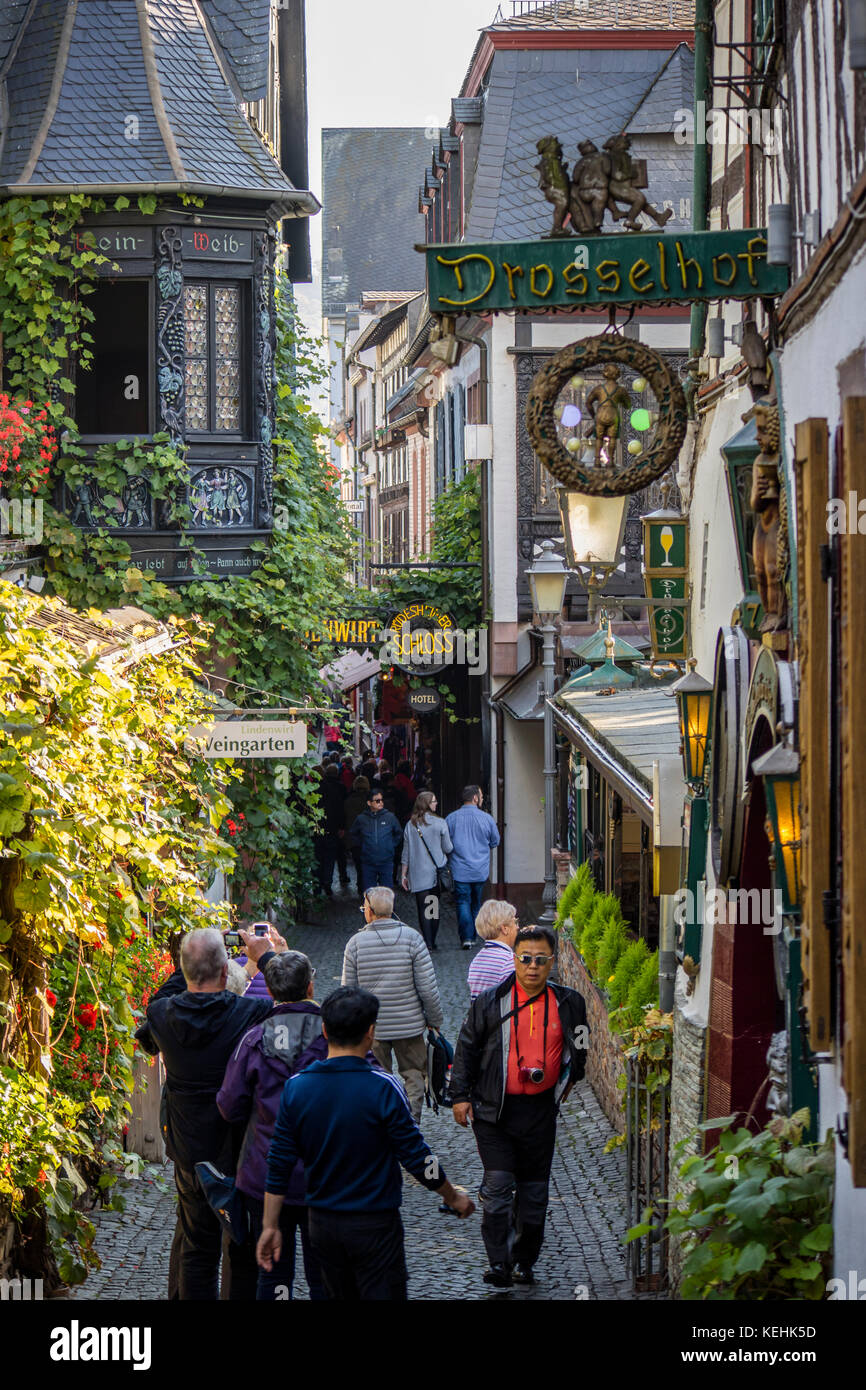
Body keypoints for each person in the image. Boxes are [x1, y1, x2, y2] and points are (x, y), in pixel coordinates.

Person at [257, 987, 475, 1300]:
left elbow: (278, 1162)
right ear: (370, 1033)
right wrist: (452, 1196)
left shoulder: (296, 1088)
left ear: (324, 1030)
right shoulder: (384, 1087)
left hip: (322, 1223)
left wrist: (269, 1225)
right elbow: (417, 1156)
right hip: (375, 1224)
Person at [137, 925, 287, 1300]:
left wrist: (190, 960)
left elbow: (163, 998)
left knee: (197, 1244)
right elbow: (292, 1001)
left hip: (188, 1144)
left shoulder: (163, 1015)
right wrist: (264, 955)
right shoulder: (249, 1012)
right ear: (226, 972)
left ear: (186, 974)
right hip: (238, 1143)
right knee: (240, 1243)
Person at [450, 925, 588, 1289]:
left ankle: (524, 1261)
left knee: (533, 1193)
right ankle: (498, 1263)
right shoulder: (490, 1002)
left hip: (540, 1112)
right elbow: (466, 1047)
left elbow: (582, 1044)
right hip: (494, 1111)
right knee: (497, 1186)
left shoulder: (569, 1003)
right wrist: (460, 1096)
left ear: (551, 962)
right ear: (514, 958)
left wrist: (571, 1078)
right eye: (525, 958)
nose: (532, 967)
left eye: (540, 960)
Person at [217, 952, 327, 1301]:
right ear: (310, 985)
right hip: (322, 1173)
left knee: (274, 1275)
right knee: (325, 1277)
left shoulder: (253, 1039)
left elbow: (229, 1105)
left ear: (273, 993)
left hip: (265, 1172)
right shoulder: (334, 1034)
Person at [341, 885, 443, 1122]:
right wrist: (435, 1020)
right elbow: (428, 987)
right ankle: (410, 1123)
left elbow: (348, 992)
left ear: (369, 911)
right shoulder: (413, 939)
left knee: (377, 1076)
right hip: (410, 1025)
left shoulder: (355, 943)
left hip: (371, 1028)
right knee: (414, 1075)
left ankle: (382, 1124)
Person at [446, 785, 501, 950]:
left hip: (459, 869)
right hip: (479, 869)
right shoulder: (487, 819)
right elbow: (495, 841)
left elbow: (446, 844)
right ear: (475, 798)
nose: (482, 799)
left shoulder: (451, 818)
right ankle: (476, 934)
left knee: (462, 903)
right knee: (476, 903)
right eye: (481, 796)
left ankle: (466, 938)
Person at [401, 791, 453, 952]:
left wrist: (404, 873)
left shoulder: (411, 825)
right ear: (427, 804)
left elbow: (406, 851)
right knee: (433, 906)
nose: (436, 804)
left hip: (417, 872)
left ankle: (428, 942)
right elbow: (448, 848)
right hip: (435, 872)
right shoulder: (440, 823)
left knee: (422, 908)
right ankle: (433, 940)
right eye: (434, 801)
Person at [348, 787, 403, 893]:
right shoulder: (361, 819)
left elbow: (399, 833)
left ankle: (388, 910)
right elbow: (353, 834)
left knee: (387, 892)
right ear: (369, 803)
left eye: (382, 800)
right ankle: (369, 910)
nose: (381, 803)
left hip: (386, 861)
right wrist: (363, 846)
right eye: (377, 801)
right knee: (369, 893)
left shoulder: (390, 817)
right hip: (368, 862)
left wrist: (390, 846)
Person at [468, 900, 520, 999]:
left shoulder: (476, 960)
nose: (518, 927)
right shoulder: (509, 960)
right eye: (515, 922)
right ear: (505, 929)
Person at [314, 764, 346, 897]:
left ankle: (317, 886)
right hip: (331, 828)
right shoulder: (332, 789)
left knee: (317, 858)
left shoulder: (310, 791)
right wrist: (341, 826)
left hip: (315, 829)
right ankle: (327, 882)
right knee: (329, 858)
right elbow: (339, 809)